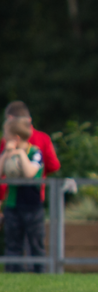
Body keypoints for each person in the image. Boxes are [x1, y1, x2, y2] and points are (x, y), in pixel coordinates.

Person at [1, 117, 46, 272]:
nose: (4, 139)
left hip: (32, 206)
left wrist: (20, 153)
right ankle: (13, 271)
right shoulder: (7, 154)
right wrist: (6, 154)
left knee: (36, 242)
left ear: (16, 138)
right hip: (12, 205)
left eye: (6, 135)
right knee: (13, 243)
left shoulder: (35, 152)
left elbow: (29, 174)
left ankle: (40, 273)